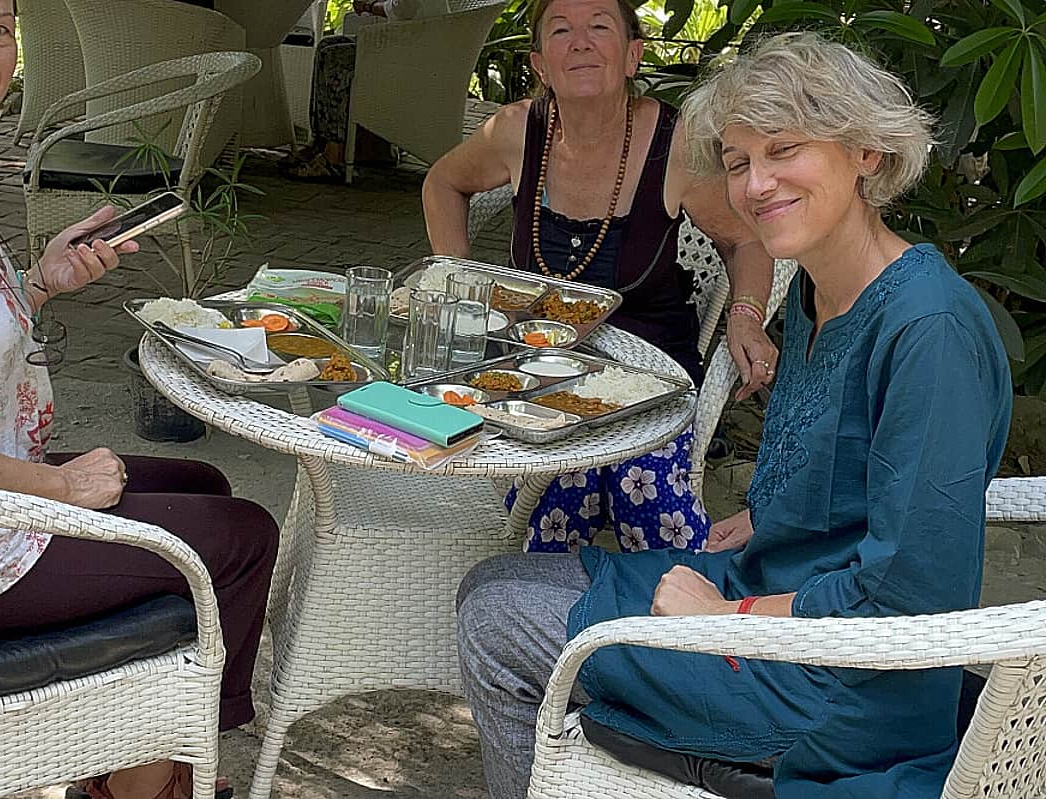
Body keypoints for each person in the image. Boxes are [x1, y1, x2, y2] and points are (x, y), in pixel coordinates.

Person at [455, 31, 1013, 799]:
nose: (755, 184)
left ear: (867, 155)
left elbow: (910, 594)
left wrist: (728, 611)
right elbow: (854, 464)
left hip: (840, 688)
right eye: (741, 161)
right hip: (781, 600)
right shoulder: (823, 293)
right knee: (492, 582)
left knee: (497, 618)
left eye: (784, 149)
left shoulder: (928, 328)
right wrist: (774, 514)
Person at [0, 3, 278, 798]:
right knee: (241, 538)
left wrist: (39, 284)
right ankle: (156, 781)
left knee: (206, 488)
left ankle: (138, 761)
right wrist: (60, 487)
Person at [422, 0, 779, 554]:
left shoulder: (674, 142)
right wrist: (460, 283)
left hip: (649, 378)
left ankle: (666, 626)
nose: (581, 42)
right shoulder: (517, 132)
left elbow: (745, 239)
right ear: (541, 64)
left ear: (633, 54)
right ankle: (539, 622)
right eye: (561, 30)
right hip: (539, 373)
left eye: (600, 27)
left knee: (653, 503)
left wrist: (746, 314)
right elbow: (442, 184)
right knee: (550, 493)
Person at [280, 0, 449, 181]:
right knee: (326, 47)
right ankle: (321, 142)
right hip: (413, 41)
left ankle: (334, 156)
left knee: (335, 58)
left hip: (413, 53)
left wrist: (369, 6)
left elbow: (403, 8)